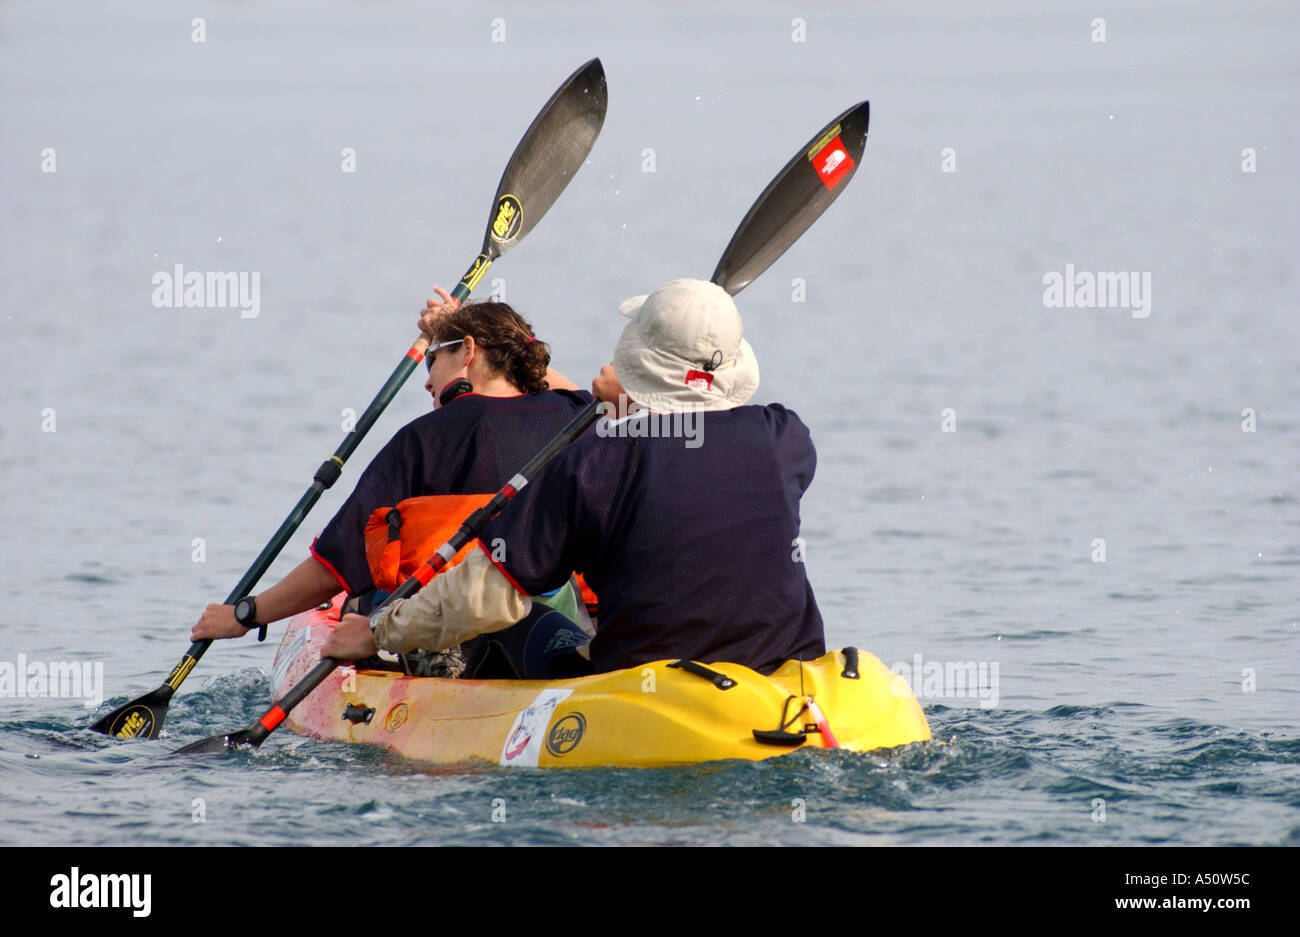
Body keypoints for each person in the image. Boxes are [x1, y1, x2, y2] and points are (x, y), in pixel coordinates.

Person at [324, 278, 826, 677]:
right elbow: (701, 434)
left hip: (643, 689)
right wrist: (639, 400)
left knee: (520, 619)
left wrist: (378, 632)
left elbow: (486, 596)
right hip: (779, 677)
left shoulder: (592, 462)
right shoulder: (785, 437)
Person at [190, 287, 592, 675]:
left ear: (468, 350)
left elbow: (335, 567)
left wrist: (245, 613)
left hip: (447, 635)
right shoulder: (574, 417)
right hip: (549, 620)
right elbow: (571, 389)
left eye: (431, 358)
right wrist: (456, 330)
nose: (427, 380)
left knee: (360, 598)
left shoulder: (426, 437)